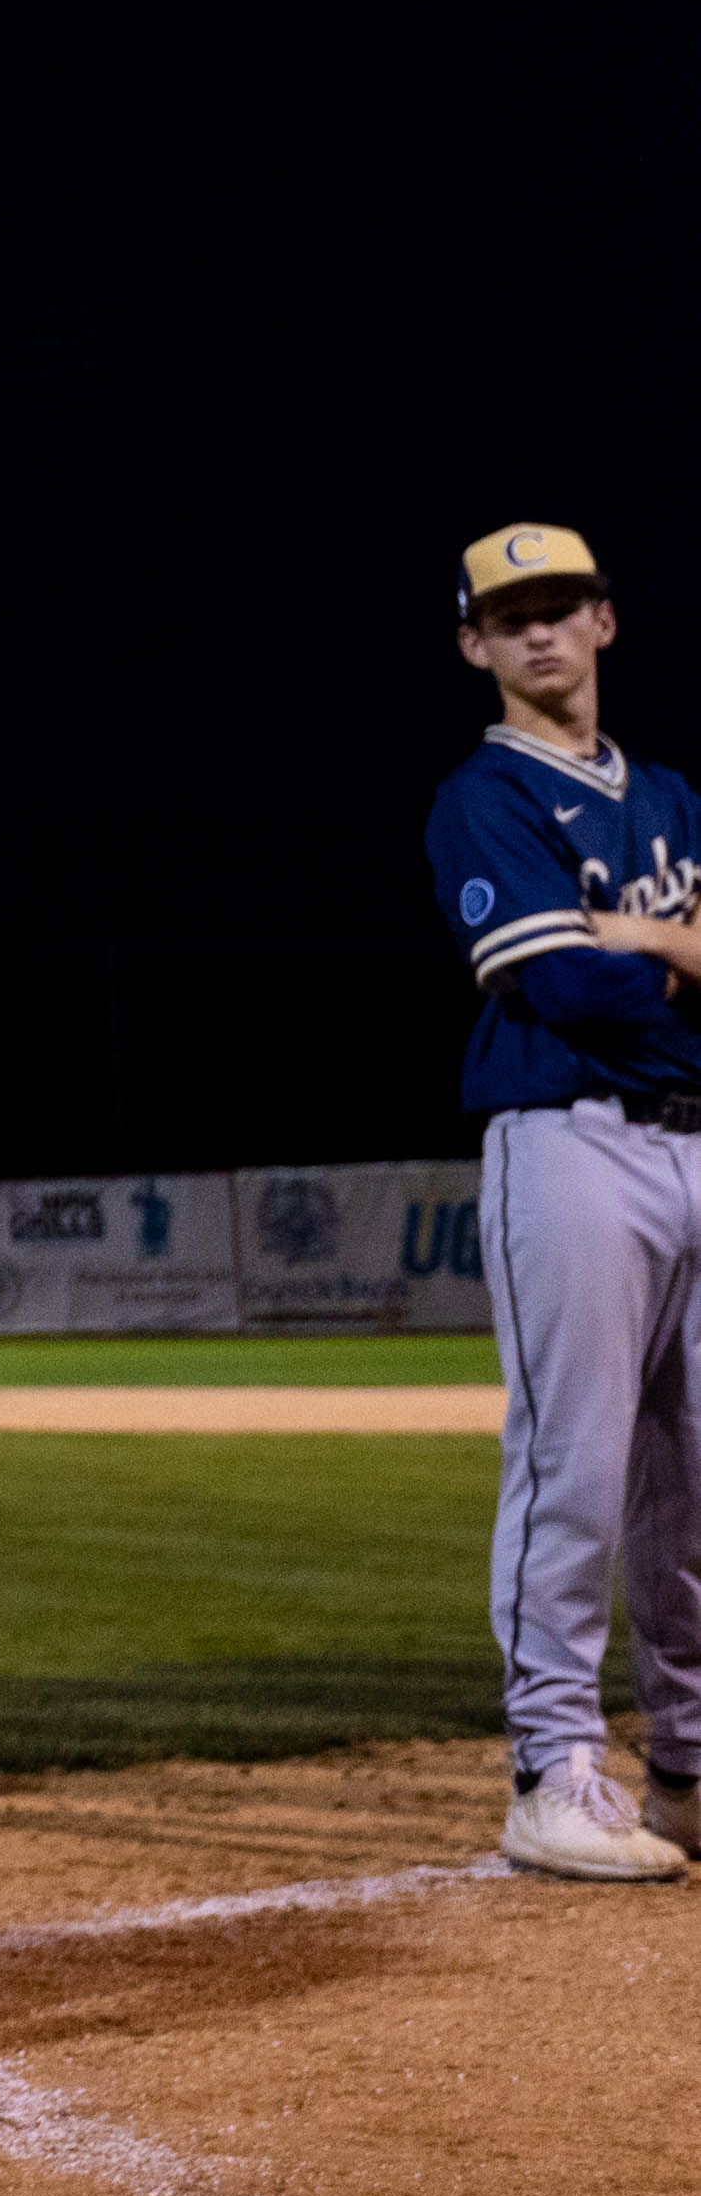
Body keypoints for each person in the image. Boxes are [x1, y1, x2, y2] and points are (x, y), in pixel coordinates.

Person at [425, 524, 701, 1884]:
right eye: (506, 614)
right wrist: (672, 964)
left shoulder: (673, 800)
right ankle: (549, 1772)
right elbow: (566, 987)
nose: (537, 632)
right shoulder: (481, 799)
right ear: (473, 643)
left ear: (604, 620)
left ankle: (689, 1771)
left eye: (558, 606)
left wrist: (646, 935)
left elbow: (618, 966)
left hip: (695, 1150)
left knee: (694, 1486)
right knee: (576, 1469)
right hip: (568, 1144)